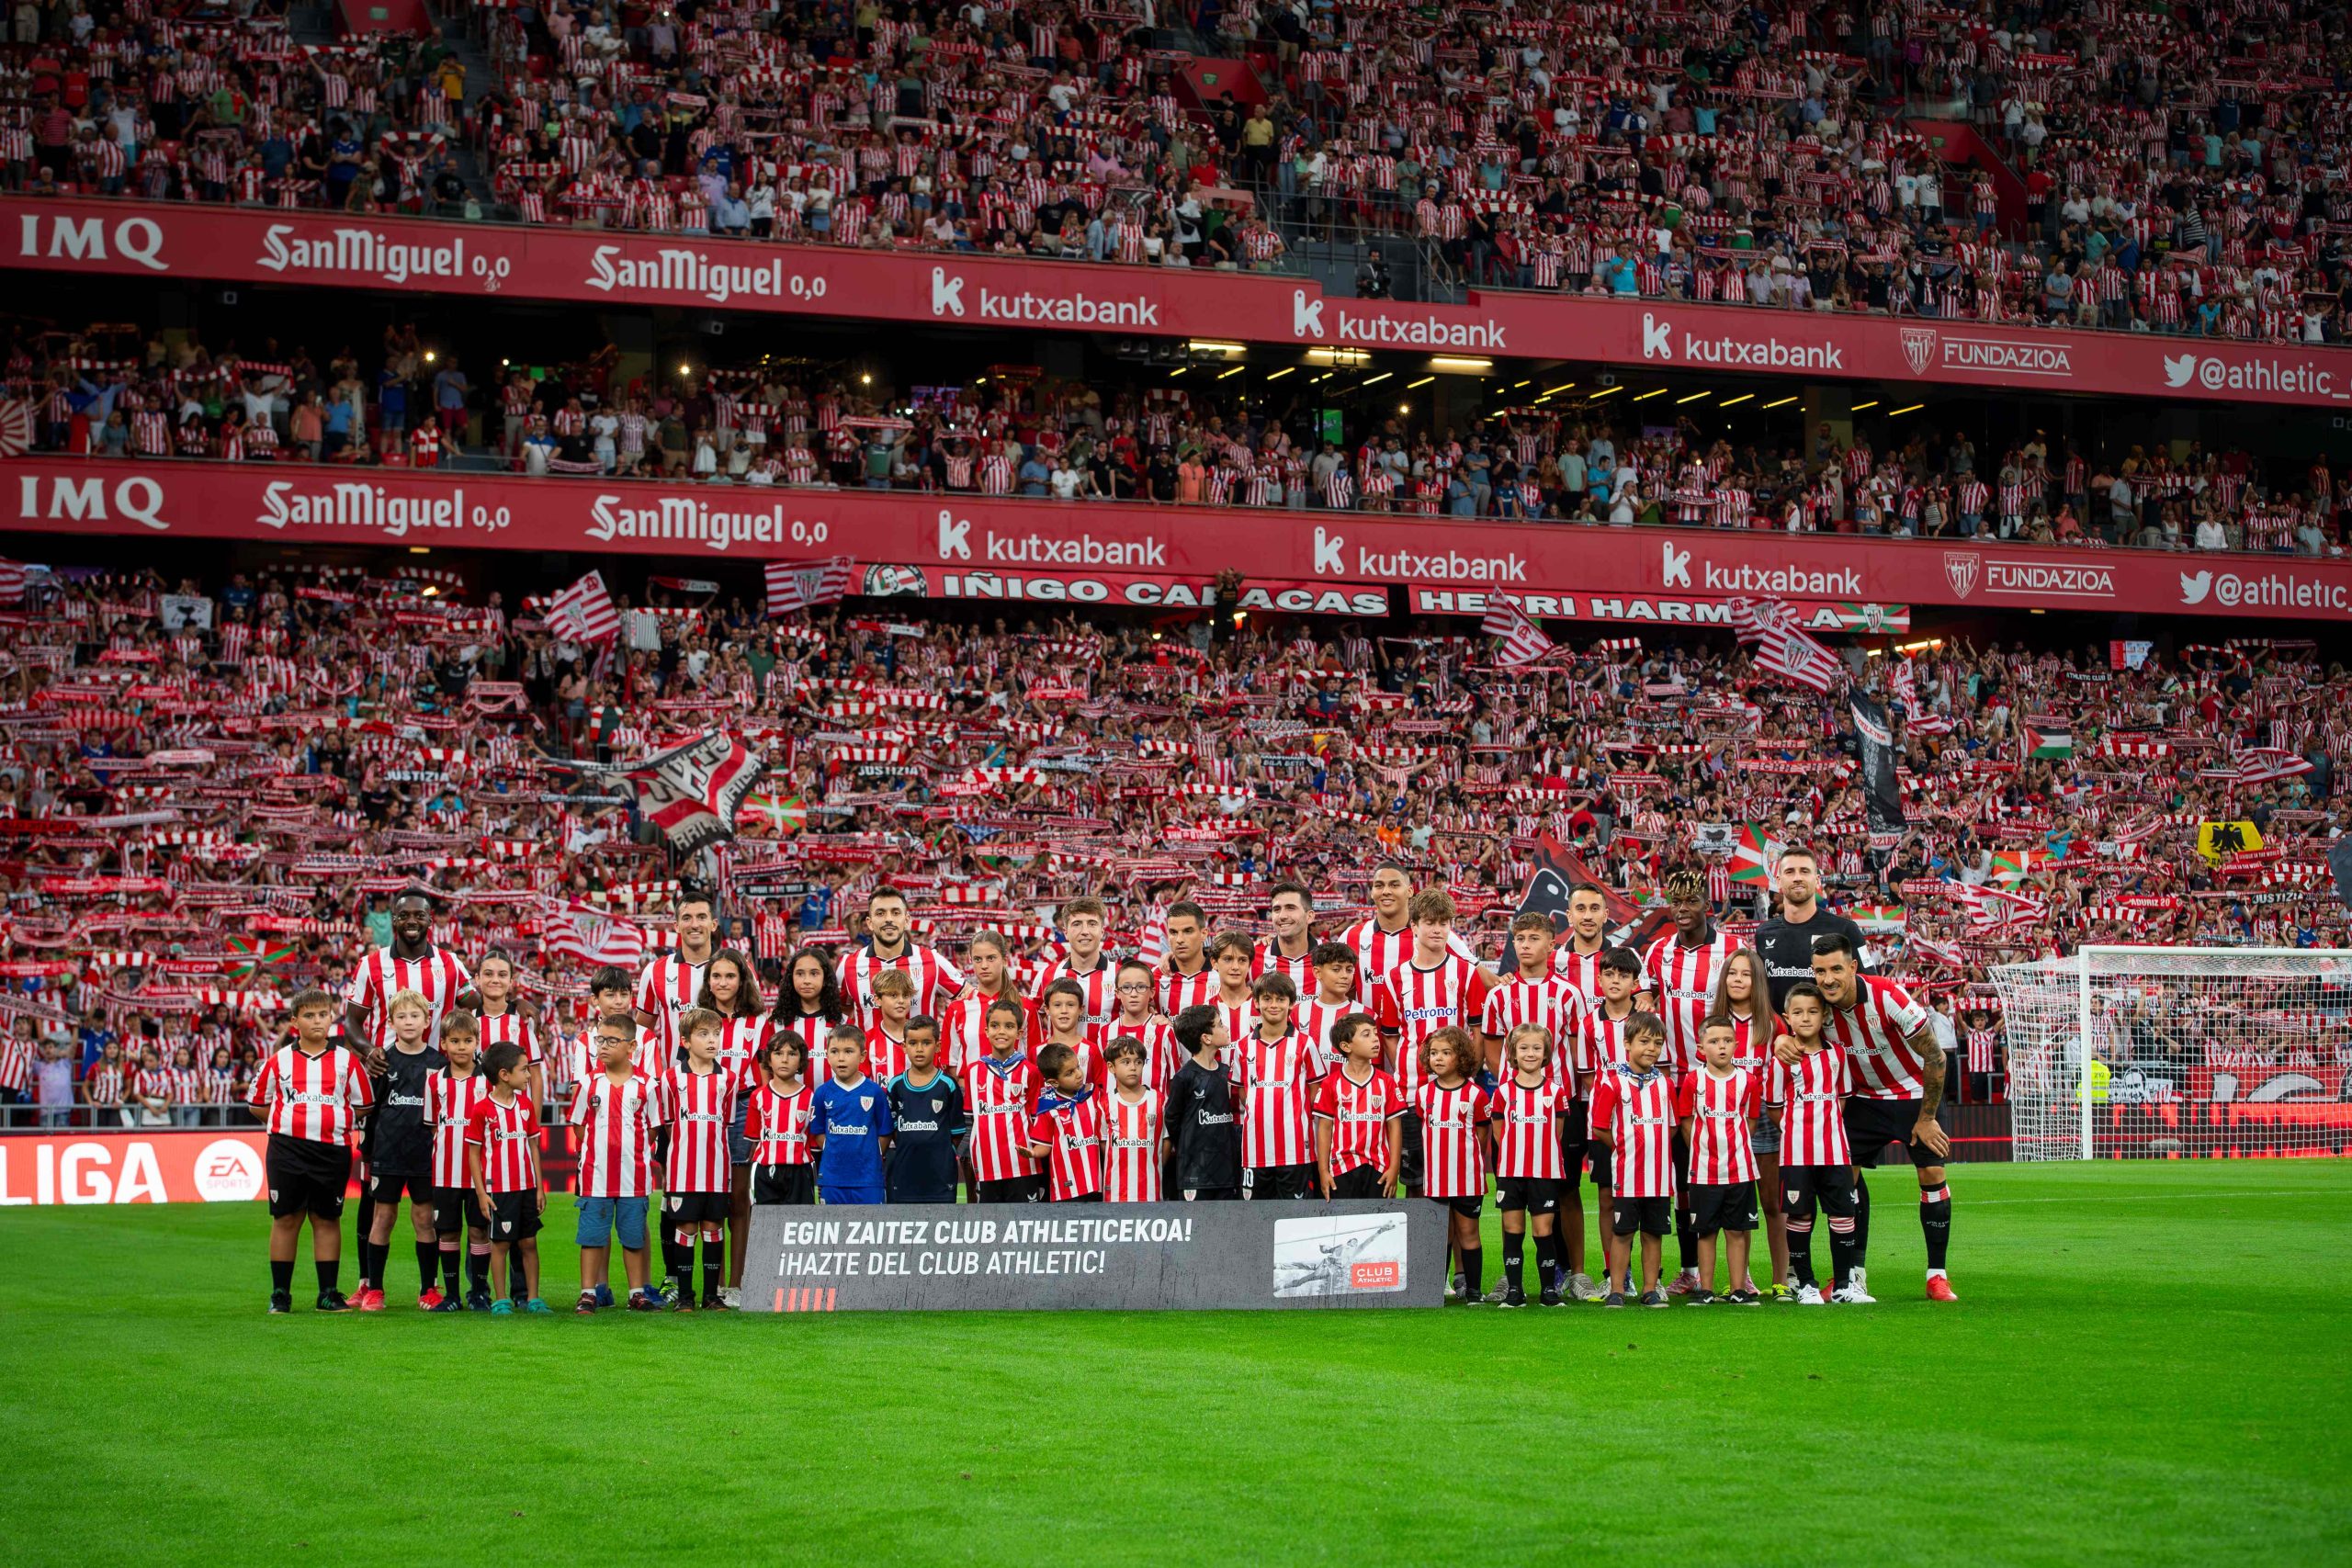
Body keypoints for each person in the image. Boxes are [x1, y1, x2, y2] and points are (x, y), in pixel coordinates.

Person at [1793, 933, 1958, 1303]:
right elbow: (1787, 1024)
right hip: (1863, 1099)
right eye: (1820, 971)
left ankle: (1937, 1276)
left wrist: (1928, 1118)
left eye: (1836, 969)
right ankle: (1852, 1276)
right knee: (1843, 1181)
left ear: (1853, 967)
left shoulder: (1887, 995)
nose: (1828, 979)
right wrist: (1780, 1041)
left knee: (1931, 1175)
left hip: (1914, 1093)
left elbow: (1936, 1057)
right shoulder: (1819, 1005)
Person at [1643, 868, 1737, 1295]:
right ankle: (1689, 1270)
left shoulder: (1733, 950)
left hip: (1724, 1081)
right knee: (1683, 1180)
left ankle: (1740, 1271)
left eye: (1691, 901)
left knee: (1731, 1177)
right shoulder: (1658, 952)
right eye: (1675, 902)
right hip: (1674, 1082)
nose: (1682, 909)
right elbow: (1646, 1002)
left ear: (1708, 906)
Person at [251, 989, 373, 1314]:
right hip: (287, 1148)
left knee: (327, 1218)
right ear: (295, 1022)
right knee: (286, 1218)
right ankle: (280, 1294)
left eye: (322, 1014)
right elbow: (259, 1105)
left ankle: (328, 1294)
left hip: (332, 1150)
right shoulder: (279, 1061)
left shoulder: (347, 1061)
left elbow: (363, 1105)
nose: (317, 1021)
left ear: (332, 1018)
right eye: (309, 1015)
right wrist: (289, 1122)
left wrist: (332, 1121)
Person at [1373, 889, 1491, 1197]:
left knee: (1455, 1184)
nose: (1438, 929)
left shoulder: (1465, 973)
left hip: (1457, 1094)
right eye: (1430, 922)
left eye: (1444, 922)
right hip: (1411, 1095)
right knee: (1416, 1184)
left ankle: (1454, 1246)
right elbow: (1389, 1036)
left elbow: (1478, 1032)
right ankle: (1420, 1248)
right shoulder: (1395, 978)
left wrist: (1468, 1074)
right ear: (1414, 926)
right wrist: (1407, 1069)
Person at [1769, 982, 1861, 1305]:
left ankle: (1843, 1287)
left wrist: (1826, 1126)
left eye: (1812, 1011)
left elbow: (1843, 1097)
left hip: (1834, 1151)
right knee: (1800, 1218)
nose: (1805, 1018)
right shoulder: (1781, 1058)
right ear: (1787, 1017)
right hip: (1796, 1154)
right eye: (1798, 1012)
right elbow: (1773, 1105)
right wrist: (1798, 1129)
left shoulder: (1836, 1054)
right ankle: (1806, 1284)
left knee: (1843, 1217)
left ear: (1824, 1016)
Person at [570, 1012, 666, 1313]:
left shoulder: (646, 1085)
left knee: (633, 1236)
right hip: (595, 1176)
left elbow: (652, 1128)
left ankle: (636, 1292)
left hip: (634, 1176)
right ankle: (588, 1292)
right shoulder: (588, 1083)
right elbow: (578, 1125)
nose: (604, 1046)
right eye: (601, 1040)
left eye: (613, 1041)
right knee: (592, 1236)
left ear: (631, 1046)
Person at [356, 989, 444, 1313]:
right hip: (387, 1154)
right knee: (383, 1218)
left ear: (427, 1020)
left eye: (415, 1016)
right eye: (402, 1017)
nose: (408, 1022)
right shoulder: (382, 1062)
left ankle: (428, 1289)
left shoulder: (438, 1063)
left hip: (424, 1155)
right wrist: (367, 1150)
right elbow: (370, 1109)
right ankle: (374, 1289)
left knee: (424, 1219)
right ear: (391, 1022)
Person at [1709, 948, 1790, 1297]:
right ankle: (1743, 1280)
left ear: (1757, 981)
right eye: (1732, 973)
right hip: (1724, 1121)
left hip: (1765, 1119)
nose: (1738, 980)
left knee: (1773, 1203)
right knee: (1735, 1207)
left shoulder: (1773, 1024)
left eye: (1745, 974)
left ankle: (1782, 1280)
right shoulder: (1714, 1023)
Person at [1588, 1011, 1675, 1308]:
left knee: (1653, 1234)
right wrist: (1623, 1148)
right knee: (1622, 1233)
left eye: (1658, 1043)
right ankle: (1617, 1290)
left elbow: (1672, 1125)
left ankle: (1650, 1289)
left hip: (1660, 1177)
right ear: (1627, 1044)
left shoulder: (1664, 1084)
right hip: (1627, 1175)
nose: (1651, 1048)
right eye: (1645, 1041)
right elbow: (1600, 1126)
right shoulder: (1613, 1083)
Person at [697, 948, 769, 1304]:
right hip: (706, 1108)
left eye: (729, 976)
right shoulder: (697, 1021)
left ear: (742, 980)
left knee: (740, 1199)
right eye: (716, 976)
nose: (722, 982)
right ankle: (714, 1285)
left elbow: (767, 1074)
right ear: (708, 982)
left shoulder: (759, 1021)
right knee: (713, 1200)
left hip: (744, 1105)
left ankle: (738, 1285)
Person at [1679, 1016, 1764, 1304]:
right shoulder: (1694, 1080)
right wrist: (1703, 1151)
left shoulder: (1748, 1081)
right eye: (1714, 1041)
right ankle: (1707, 1290)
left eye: (1727, 1041)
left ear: (1737, 1045)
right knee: (1706, 1231)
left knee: (1737, 1231)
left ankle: (1738, 1289)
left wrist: (1733, 1148)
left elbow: (1750, 1121)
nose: (1722, 1047)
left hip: (1739, 1170)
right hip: (1704, 1172)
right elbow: (1687, 1123)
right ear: (1702, 1047)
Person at [1488, 1023, 1572, 1307]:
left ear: (1546, 1053)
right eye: (1524, 1047)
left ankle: (1548, 1290)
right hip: (1511, 1173)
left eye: (1537, 1048)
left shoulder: (1555, 1092)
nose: (1530, 1053)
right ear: (1513, 1052)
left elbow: (1557, 1132)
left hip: (1544, 1172)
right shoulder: (1503, 1092)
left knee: (1543, 1231)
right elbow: (1499, 1133)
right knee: (1513, 1231)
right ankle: (1514, 1290)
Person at [659, 1008, 737, 1310]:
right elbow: (669, 1122)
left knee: (713, 1227)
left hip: (717, 1169)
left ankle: (711, 1296)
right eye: (703, 1034)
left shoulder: (728, 1078)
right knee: (686, 1228)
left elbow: (725, 1122)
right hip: (683, 1171)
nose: (712, 1040)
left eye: (716, 1034)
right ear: (685, 1041)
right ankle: (686, 1297)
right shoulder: (670, 1078)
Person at [466, 1041, 549, 1313]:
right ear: (504, 1074)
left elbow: (534, 1146)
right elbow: (474, 1154)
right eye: (524, 1070)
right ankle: (501, 1300)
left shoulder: (525, 1106)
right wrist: (481, 1193)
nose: (529, 1076)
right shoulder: (482, 1110)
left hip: (526, 1187)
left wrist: (539, 1186)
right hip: (499, 1190)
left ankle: (533, 1298)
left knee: (529, 1243)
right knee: (500, 1245)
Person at [1413, 1027, 1492, 1303]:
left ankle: (1473, 1291)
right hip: (1436, 1179)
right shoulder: (1423, 1094)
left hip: (1467, 1179)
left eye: (1446, 1053)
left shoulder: (1476, 1094)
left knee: (1468, 1234)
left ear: (1461, 1057)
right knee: (1441, 1234)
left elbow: (1481, 1136)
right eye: (1433, 1053)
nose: (1438, 1058)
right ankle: (1437, 1289)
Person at [424, 1010, 493, 1310]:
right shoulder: (435, 1081)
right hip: (444, 1173)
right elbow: (431, 1125)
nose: (462, 1046)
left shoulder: (488, 1081)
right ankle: (451, 1295)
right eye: (455, 1041)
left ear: (477, 1042)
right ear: (444, 1044)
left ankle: (479, 1292)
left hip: (480, 1174)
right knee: (448, 1231)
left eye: (468, 1040)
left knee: (478, 1231)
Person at [1235, 972, 1319, 1199]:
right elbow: (1242, 1091)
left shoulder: (1304, 1043)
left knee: (1297, 1219)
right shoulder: (1243, 1047)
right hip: (1254, 1150)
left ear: (1291, 1003)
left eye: (1281, 1000)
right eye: (1267, 999)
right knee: (1255, 1219)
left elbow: (1314, 1089)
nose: (1273, 1005)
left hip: (1295, 1150)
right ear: (1256, 1002)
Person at [1754, 846, 1869, 1010]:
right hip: (1778, 1034)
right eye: (1790, 872)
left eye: (1805, 871)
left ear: (1817, 880)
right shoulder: (1763, 934)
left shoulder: (1845, 929)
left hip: (1831, 1034)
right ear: (1778, 881)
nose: (1797, 878)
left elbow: (1869, 987)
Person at [838, 888, 964, 1029]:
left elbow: (968, 996)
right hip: (870, 1050)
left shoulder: (932, 960)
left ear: (907, 920)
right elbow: (842, 1008)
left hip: (918, 1051)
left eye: (896, 913)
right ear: (869, 922)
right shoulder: (848, 964)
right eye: (880, 913)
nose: (889, 919)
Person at [1311, 1012, 1402, 1199]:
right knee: (1346, 1223)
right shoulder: (1331, 1084)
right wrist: (1323, 1171)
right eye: (1366, 1034)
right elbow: (1325, 1128)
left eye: (1376, 1034)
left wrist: (1394, 1168)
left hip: (1379, 1167)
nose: (1376, 1039)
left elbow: (1394, 1127)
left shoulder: (1387, 1082)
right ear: (1346, 1046)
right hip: (1342, 1167)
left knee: (1378, 1224)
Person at [963, 999, 1044, 1202]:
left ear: (1019, 1033)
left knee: (1025, 1227)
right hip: (986, 1166)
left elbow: (1037, 1119)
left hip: (1023, 1166)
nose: (1001, 1031)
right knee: (991, 1228)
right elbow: (969, 1121)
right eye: (995, 1026)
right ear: (986, 1031)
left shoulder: (1030, 1071)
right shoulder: (973, 1072)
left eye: (1009, 1026)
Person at [808, 1025, 892, 1206]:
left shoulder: (875, 1092)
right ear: (827, 1055)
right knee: (832, 1231)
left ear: (862, 1056)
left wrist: (871, 1154)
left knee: (871, 1231)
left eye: (848, 1051)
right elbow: (819, 1132)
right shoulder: (822, 1093)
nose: (841, 1058)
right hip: (832, 1179)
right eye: (834, 1052)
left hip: (868, 1180)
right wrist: (835, 1150)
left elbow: (885, 1132)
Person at [1165, 1004, 1242, 1200]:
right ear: (1206, 1038)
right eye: (1220, 1024)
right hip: (1195, 1175)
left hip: (1227, 1173)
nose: (1226, 1028)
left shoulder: (1228, 1072)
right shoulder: (1185, 1077)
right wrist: (1191, 1143)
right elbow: (1172, 1120)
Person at [886, 1022, 966, 1204]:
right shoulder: (895, 1085)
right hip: (905, 1174)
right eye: (913, 1043)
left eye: (926, 1043)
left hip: (941, 1175)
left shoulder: (948, 1085)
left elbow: (957, 1133)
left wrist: (941, 1150)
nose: (919, 1049)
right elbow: (894, 1131)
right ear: (904, 1046)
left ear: (937, 1046)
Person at [636, 888, 719, 1061]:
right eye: (687, 918)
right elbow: (642, 1033)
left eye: (702, 917)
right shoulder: (654, 971)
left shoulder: (739, 969)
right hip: (672, 1083)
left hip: (726, 1083)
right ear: (676, 926)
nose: (695, 924)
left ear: (714, 924)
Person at [1023, 1043, 1105, 1201]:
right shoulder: (1047, 1105)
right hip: (1065, 1183)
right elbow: (1044, 1144)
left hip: (1096, 1179)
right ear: (1054, 1082)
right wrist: (1033, 1153)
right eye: (1069, 1073)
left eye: (1077, 1067)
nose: (1078, 1074)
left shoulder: (1094, 1094)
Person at [742, 1034, 817, 1206]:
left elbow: (813, 1141)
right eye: (778, 1053)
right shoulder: (758, 1096)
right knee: (766, 1225)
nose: (784, 1059)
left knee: (799, 1224)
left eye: (792, 1054)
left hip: (800, 1170)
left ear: (801, 1060)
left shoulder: (811, 1097)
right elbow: (754, 1141)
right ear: (768, 1059)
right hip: (766, 1170)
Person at [1101, 1036, 1165, 1202]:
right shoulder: (1104, 1104)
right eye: (1126, 1062)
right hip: (1115, 1192)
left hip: (1150, 1190)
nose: (1133, 1068)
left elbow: (1166, 1142)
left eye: (1138, 1062)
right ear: (1111, 1067)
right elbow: (1103, 1143)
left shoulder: (1159, 1100)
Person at [1293, 942, 1361, 1074]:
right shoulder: (1297, 1013)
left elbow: (1373, 1067)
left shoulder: (1365, 1015)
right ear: (1317, 972)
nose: (1345, 975)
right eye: (1336, 969)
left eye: (1349, 969)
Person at [1154, 900, 1216, 1015]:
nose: (1179, 939)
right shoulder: (1153, 977)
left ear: (1204, 934)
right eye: (1173, 932)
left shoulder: (1223, 975)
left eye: (1188, 931)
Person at [1252, 880, 1317, 990]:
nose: (1282, 916)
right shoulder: (1253, 956)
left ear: (1309, 916)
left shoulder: (1330, 956)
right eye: (1277, 909)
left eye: (1290, 908)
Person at [865, 967, 917, 1081]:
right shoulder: (867, 1040)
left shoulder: (921, 1036)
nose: (901, 1001)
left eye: (906, 995)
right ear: (878, 1000)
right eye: (893, 995)